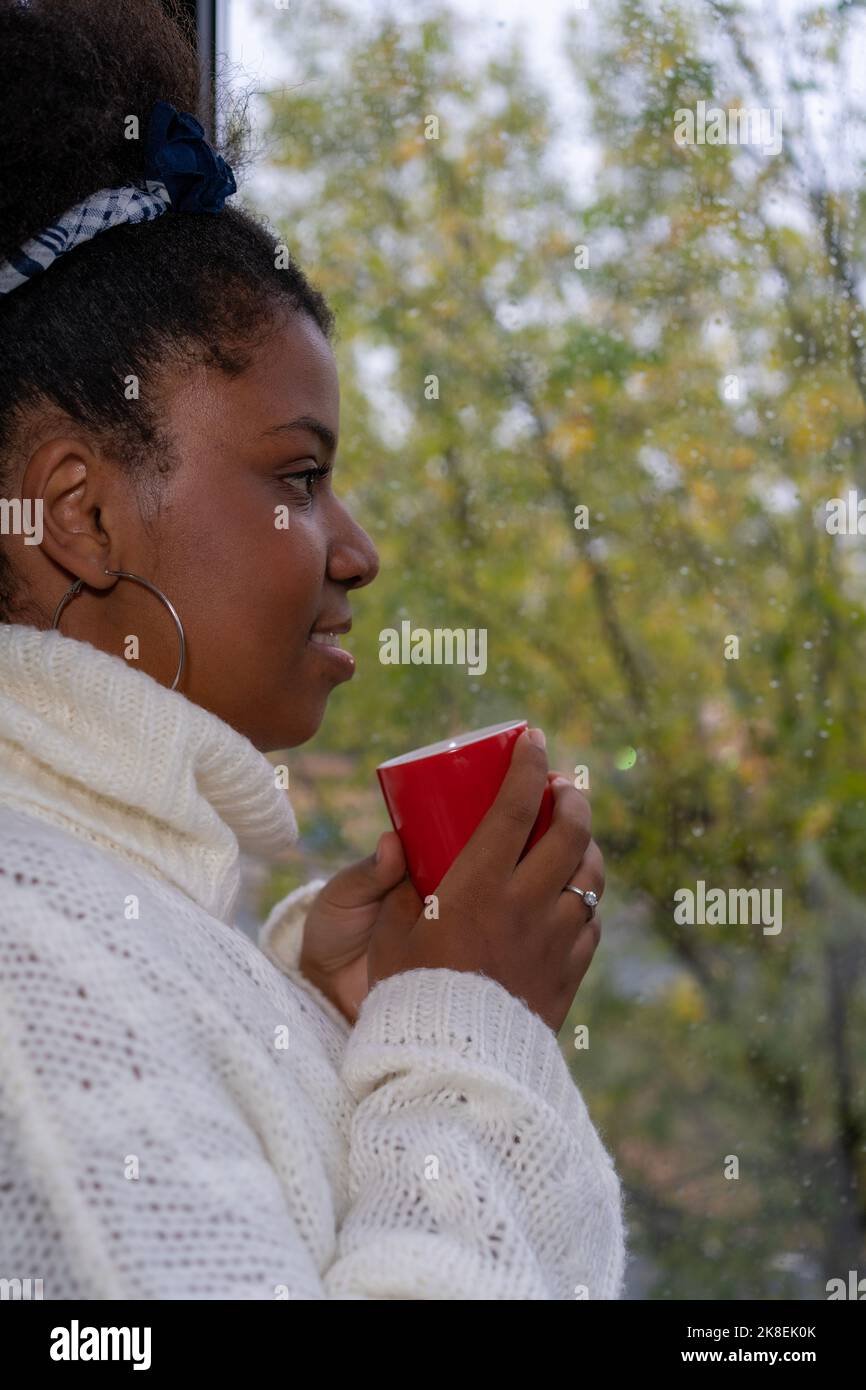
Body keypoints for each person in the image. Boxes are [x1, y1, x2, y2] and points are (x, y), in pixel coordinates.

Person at [0, 0, 626, 1299]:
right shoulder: (32, 970)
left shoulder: (114, 913)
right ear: (82, 512)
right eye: (299, 474)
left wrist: (323, 1018)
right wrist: (464, 1036)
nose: (356, 550)